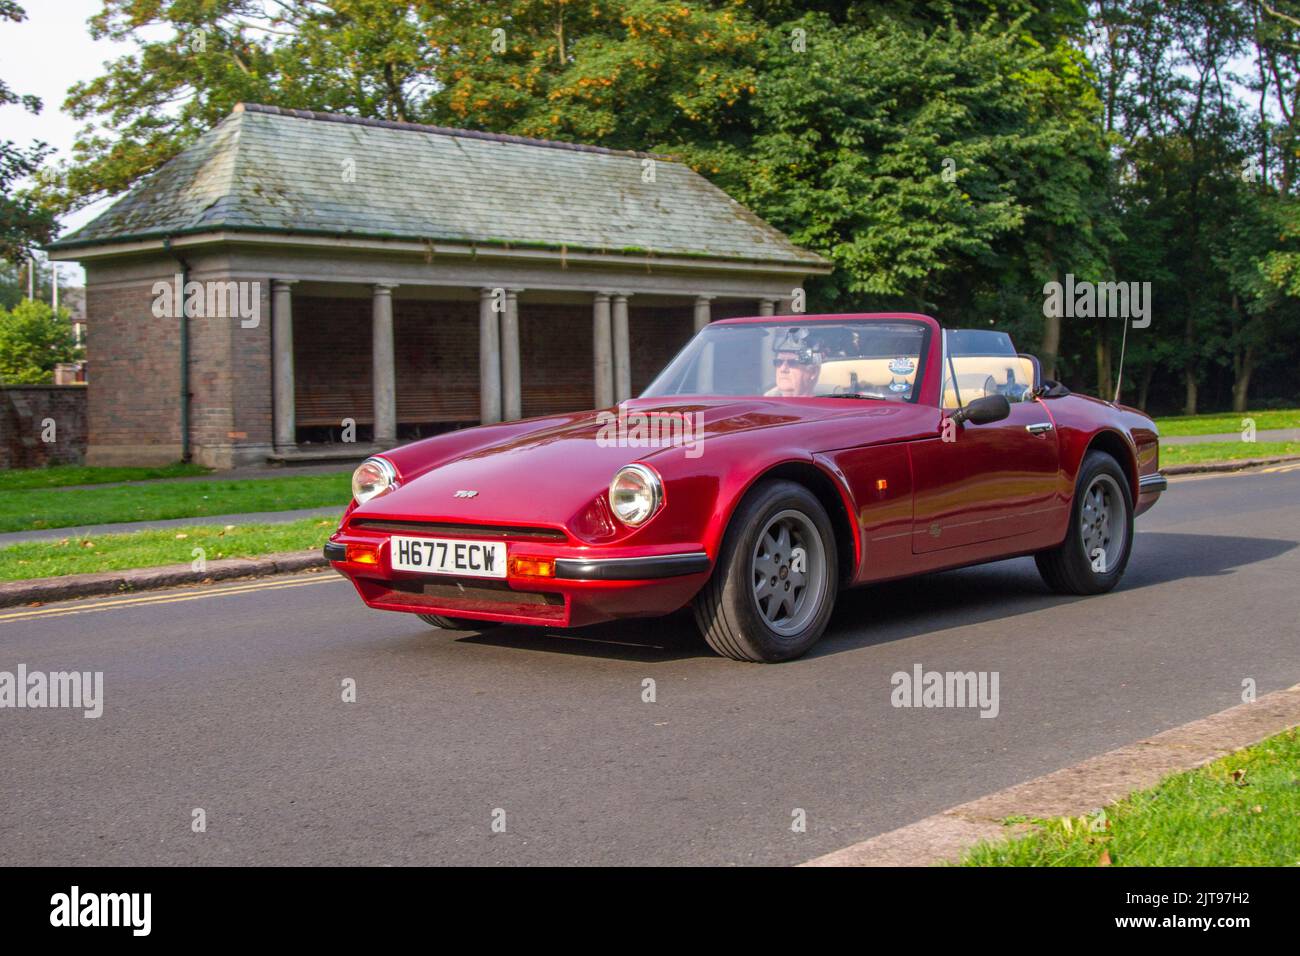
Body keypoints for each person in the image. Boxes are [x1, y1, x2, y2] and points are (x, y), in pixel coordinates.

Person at [765, 328, 822, 397]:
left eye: (792, 363)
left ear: (813, 372)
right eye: (778, 362)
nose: (783, 369)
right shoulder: (764, 403)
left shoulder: (827, 405)